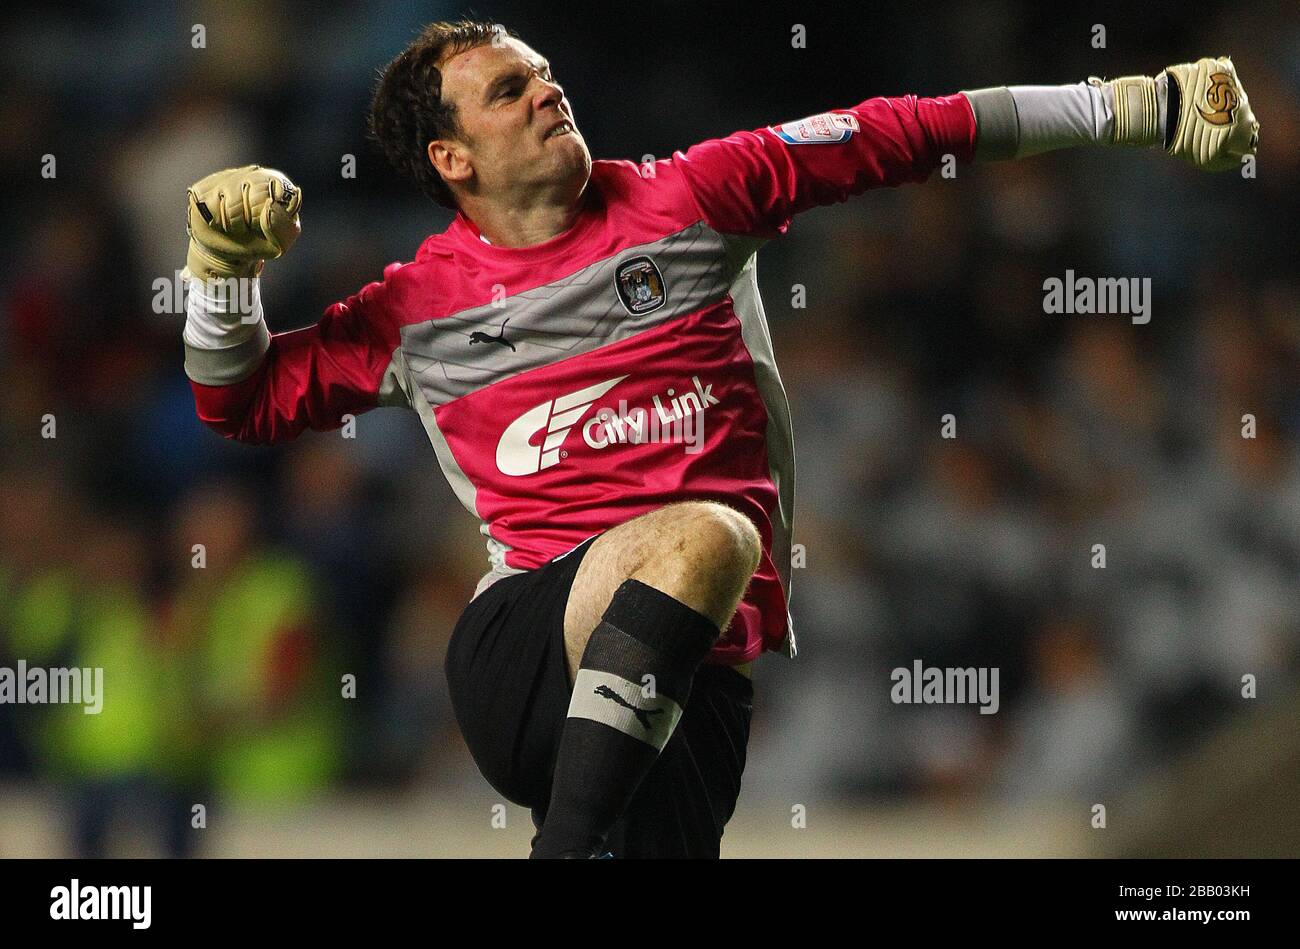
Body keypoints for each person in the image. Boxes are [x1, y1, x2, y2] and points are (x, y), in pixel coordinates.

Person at [179, 19, 1258, 857]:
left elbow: (906, 131)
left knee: (701, 565)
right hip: (525, 651)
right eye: (510, 91)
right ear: (452, 157)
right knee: (707, 533)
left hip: (683, 689)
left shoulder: (694, 196)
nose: (548, 90)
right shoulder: (417, 309)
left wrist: (1134, 101)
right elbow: (241, 402)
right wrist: (222, 276)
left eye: (543, 72)